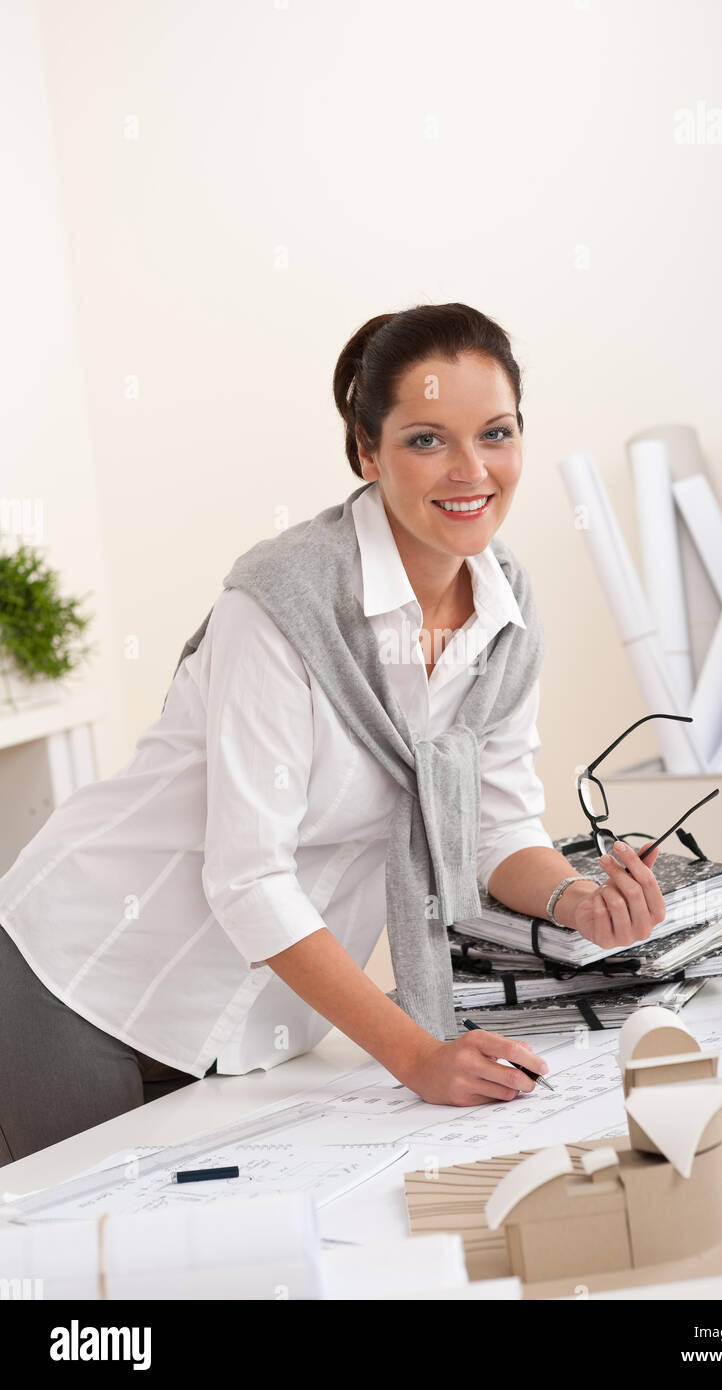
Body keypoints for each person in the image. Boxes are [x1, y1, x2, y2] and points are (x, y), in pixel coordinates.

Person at [0, 303, 665, 1167]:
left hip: (258, 1032)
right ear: (366, 450)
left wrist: (579, 902)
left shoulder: (507, 610)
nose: (471, 470)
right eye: (428, 439)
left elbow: (496, 826)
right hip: (81, 977)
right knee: (80, 1266)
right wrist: (417, 1055)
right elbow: (249, 878)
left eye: (496, 433)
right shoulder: (282, 605)